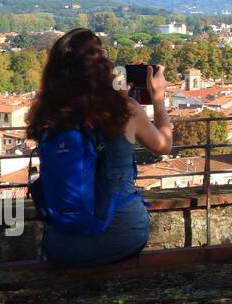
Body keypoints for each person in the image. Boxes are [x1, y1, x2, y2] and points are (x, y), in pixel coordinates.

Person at [27, 28, 173, 266]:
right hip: (123, 236)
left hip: (61, 246)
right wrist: (157, 98)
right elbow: (164, 145)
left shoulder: (46, 115)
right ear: (102, 66)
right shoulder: (125, 110)